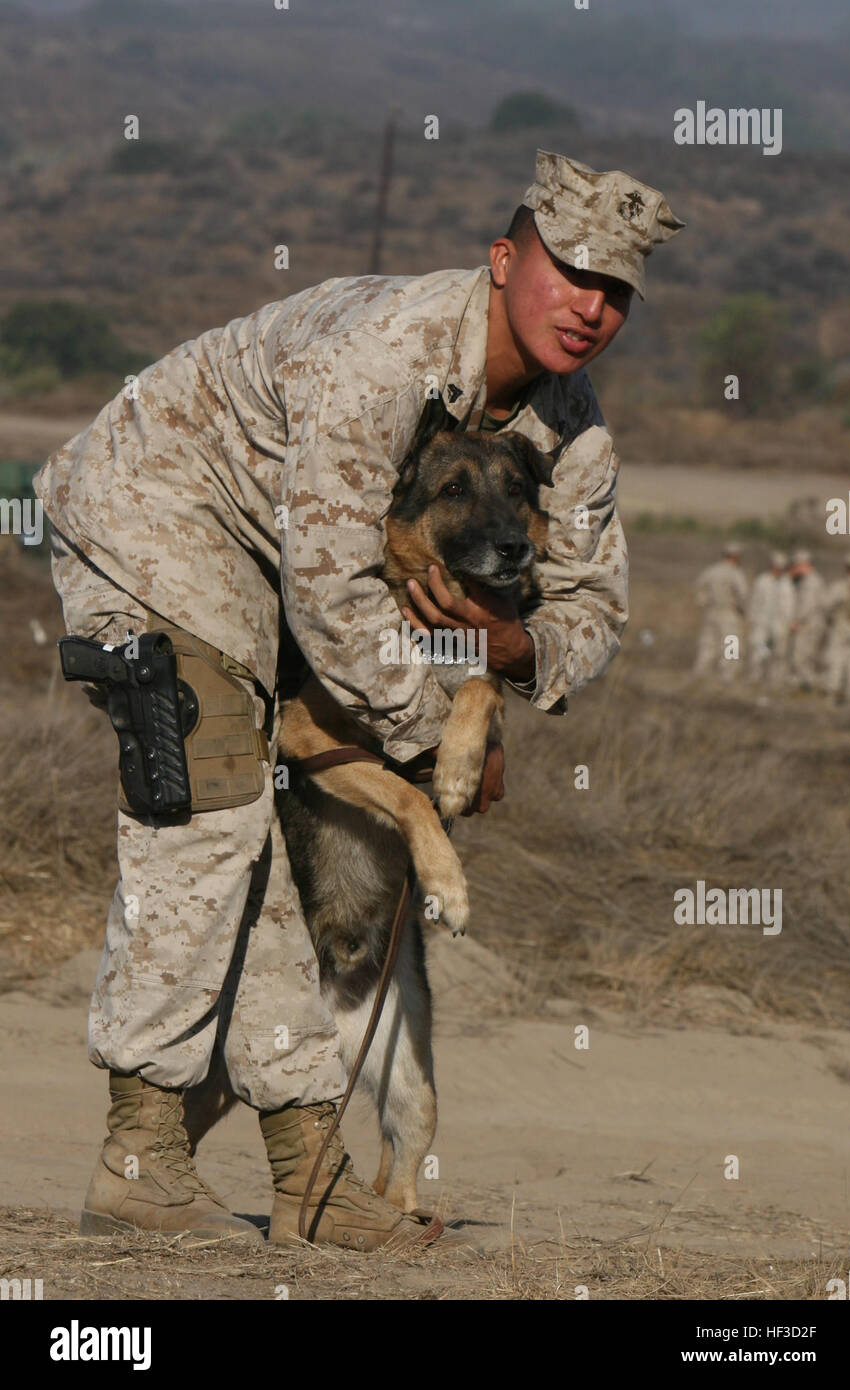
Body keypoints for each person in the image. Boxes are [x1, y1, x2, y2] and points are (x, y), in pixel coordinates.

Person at [34, 150, 683, 1250]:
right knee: (203, 813)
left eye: (614, 290)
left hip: (261, 558)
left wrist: (516, 647)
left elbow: (592, 609)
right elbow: (335, 592)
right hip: (154, 507)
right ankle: (142, 1166)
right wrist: (443, 740)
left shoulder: (569, 424)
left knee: (268, 856)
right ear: (499, 258)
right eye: (567, 271)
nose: (589, 306)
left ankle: (306, 1172)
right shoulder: (380, 355)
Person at [693, 541, 748, 683]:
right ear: (736, 556)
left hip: (711, 612)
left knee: (708, 645)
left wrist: (704, 603)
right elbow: (743, 594)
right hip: (729, 614)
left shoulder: (711, 571)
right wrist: (742, 610)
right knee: (731, 645)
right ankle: (728, 677)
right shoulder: (736, 573)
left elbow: (699, 588)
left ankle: (700, 676)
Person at [823, 552, 850, 706]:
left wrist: (831, 622)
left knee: (836, 663)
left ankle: (832, 697)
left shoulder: (839, 587)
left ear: (846, 568)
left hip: (840, 632)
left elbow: (826, 607)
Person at [747, 550, 793, 687]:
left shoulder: (787, 583)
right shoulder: (762, 581)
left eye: (781, 567)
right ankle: (755, 678)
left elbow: (790, 606)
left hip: (779, 625)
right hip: (762, 623)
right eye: (776, 566)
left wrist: (788, 624)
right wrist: (752, 619)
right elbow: (755, 601)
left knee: (779, 654)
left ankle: (775, 682)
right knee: (759, 652)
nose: (778, 569)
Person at [788, 548, 826, 690]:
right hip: (810, 624)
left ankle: (808, 686)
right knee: (805, 657)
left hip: (809, 625)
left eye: (797, 565)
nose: (795, 568)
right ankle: (806, 685)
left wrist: (796, 621)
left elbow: (807, 605)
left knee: (802, 657)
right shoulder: (809, 580)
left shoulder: (811, 581)